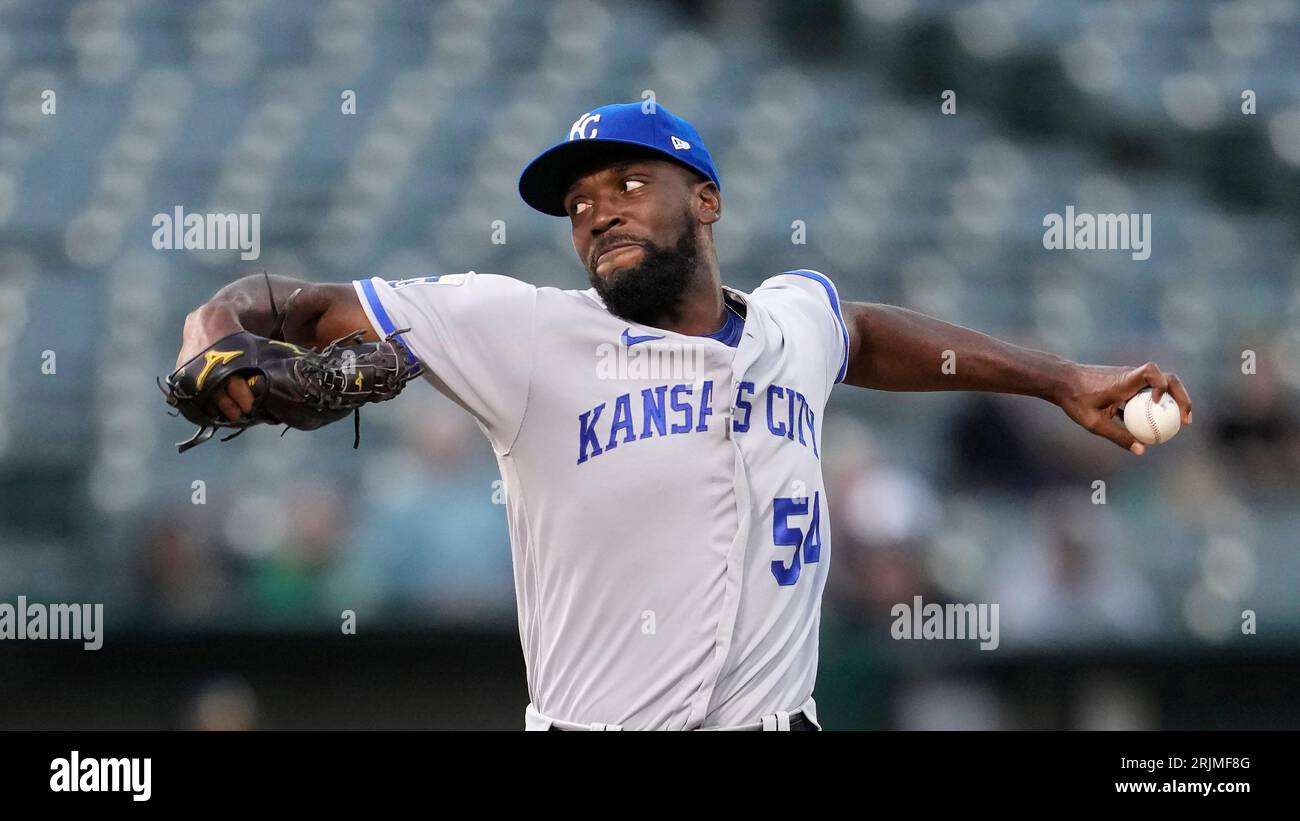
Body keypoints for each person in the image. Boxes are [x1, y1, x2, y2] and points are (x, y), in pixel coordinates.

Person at [173, 102, 1193, 730]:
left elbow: (868, 333)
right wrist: (205, 335)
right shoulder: (521, 332)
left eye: (626, 182)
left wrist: (1057, 376)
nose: (597, 211)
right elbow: (295, 306)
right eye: (577, 205)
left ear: (704, 199)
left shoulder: (795, 318)